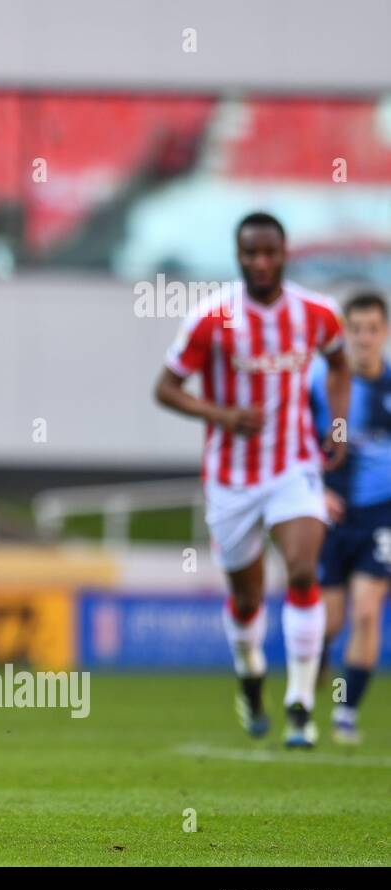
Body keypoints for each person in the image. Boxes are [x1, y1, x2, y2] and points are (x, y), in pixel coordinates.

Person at [154, 212, 349, 748]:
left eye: (270, 252)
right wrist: (220, 414)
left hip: (294, 467)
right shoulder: (211, 319)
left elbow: (339, 364)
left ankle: (303, 704)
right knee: (248, 597)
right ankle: (250, 675)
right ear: (239, 257)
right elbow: (165, 388)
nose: (261, 262)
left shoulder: (316, 313)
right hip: (231, 479)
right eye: (250, 253)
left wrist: (335, 427)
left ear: (286, 254)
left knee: (304, 571)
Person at [310, 292, 391, 745]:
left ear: (385, 333)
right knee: (331, 620)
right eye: (355, 329)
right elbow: (299, 441)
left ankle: (346, 712)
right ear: (345, 333)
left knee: (366, 610)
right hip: (332, 513)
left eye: (372, 329)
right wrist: (316, 489)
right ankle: (317, 654)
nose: (363, 338)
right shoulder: (323, 381)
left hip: (382, 515)